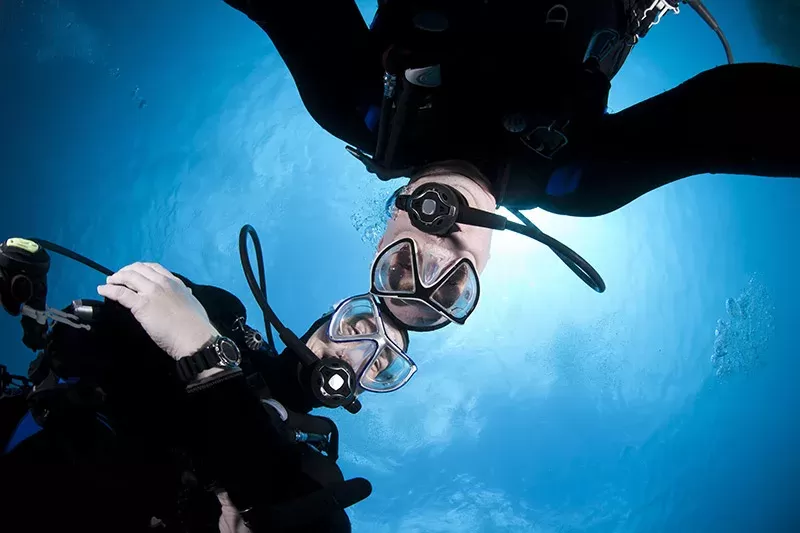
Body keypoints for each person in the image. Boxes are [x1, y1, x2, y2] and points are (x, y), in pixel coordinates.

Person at [222, 0, 800, 330]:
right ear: (489, 263)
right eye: (452, 293)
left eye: (398, 272)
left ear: (382, 236)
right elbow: (725, 121)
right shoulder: (575, 181)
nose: (431, 264)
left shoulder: (358, 107)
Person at [0, 232, 415, 532]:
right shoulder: (217, 313)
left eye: (380, 366)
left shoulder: (311, 473)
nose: (356, 353)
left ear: (363, 392)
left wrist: (204, 356)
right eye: (358, 325)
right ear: (327, 320)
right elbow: (97, 332)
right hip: (38, 444)